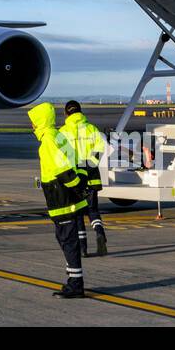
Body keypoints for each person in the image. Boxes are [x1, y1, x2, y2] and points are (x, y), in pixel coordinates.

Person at [29, 102, 87, 298]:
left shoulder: (48, 142)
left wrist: (76, 187)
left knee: (68, 242)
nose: (32, 126)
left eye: (34, 122)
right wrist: (81, 188)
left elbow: (62, 170)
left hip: (62, 200)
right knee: (67, 240)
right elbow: (74, 162)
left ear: (41, 122)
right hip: (70, 198)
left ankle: (75, 285)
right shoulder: (58, 136)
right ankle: (73, 281)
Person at [62, 100, 108, 257]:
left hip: (74, 180)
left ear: (66, 113)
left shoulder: (63, 132)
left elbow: (63, 157)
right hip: (92, 177)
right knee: (93, 210)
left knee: (78, 215)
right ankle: (99, 232)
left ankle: (83, 249)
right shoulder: (91, 129)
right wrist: (90, 167)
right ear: (81, 112)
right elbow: (101, 149)